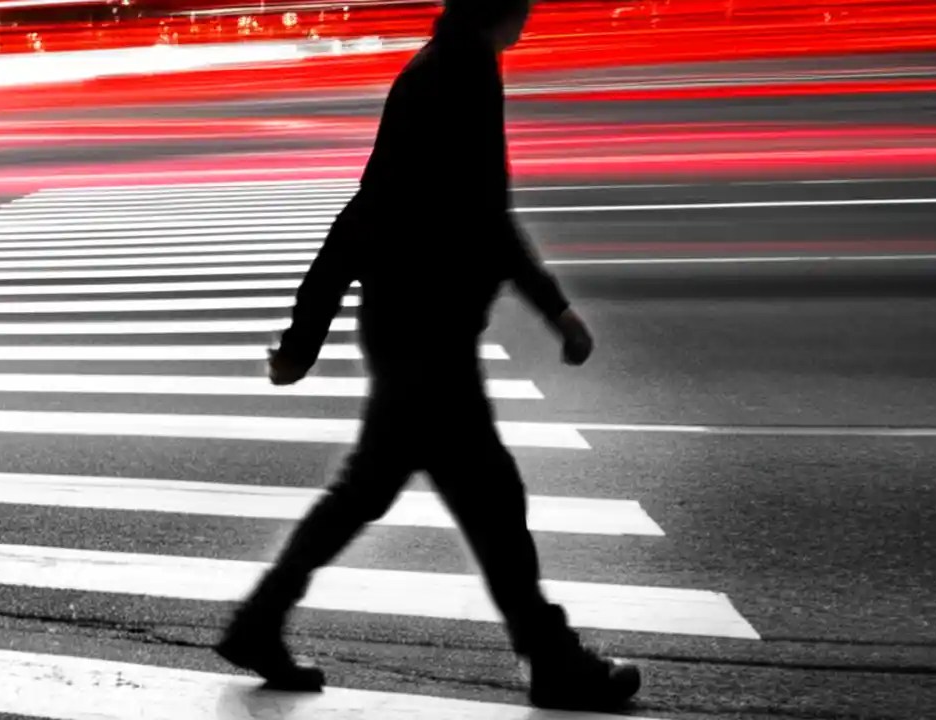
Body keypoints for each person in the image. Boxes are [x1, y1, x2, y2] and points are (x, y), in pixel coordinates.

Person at [214, 0, 641, 711]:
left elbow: (440, 213)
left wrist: (303, 341)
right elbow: (415, 213)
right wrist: (556, 309)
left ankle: (259, 623)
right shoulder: (455, 74)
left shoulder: (450, 66)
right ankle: (552, 660)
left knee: (382, 492)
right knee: (488, 499)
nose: (533, 11)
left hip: (414, 328)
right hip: (426, 334)